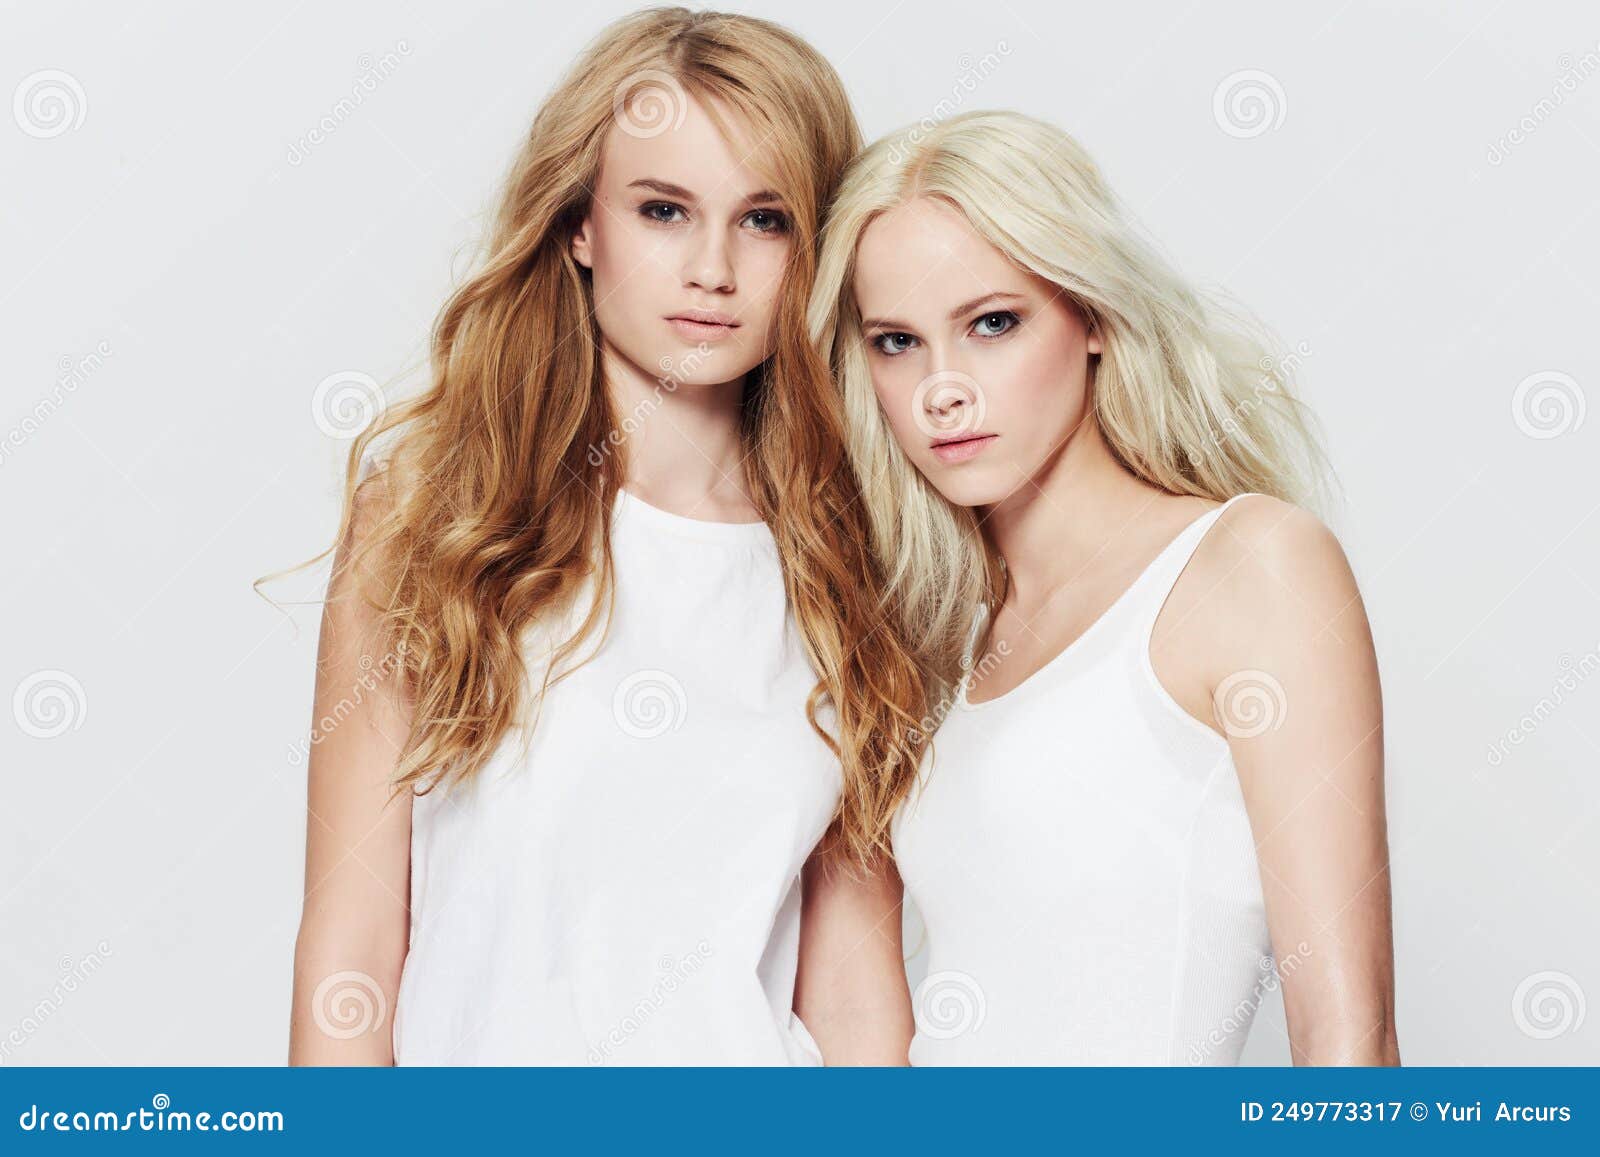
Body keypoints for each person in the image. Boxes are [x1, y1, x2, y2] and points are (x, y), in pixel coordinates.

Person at [275, 7, 925, 1066]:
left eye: (766, 220)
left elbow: (855, 991)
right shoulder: (437, 514)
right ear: (581, 223)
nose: (713, 267)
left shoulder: (849, 557)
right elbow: (349, 951)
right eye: (664, 209)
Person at [808, 108, 1399, 1065]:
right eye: (896, 342)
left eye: (991, 323)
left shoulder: (1250, 567)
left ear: (1090, 316)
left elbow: (1348, 1040)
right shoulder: (930, 643)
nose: (940, 388)